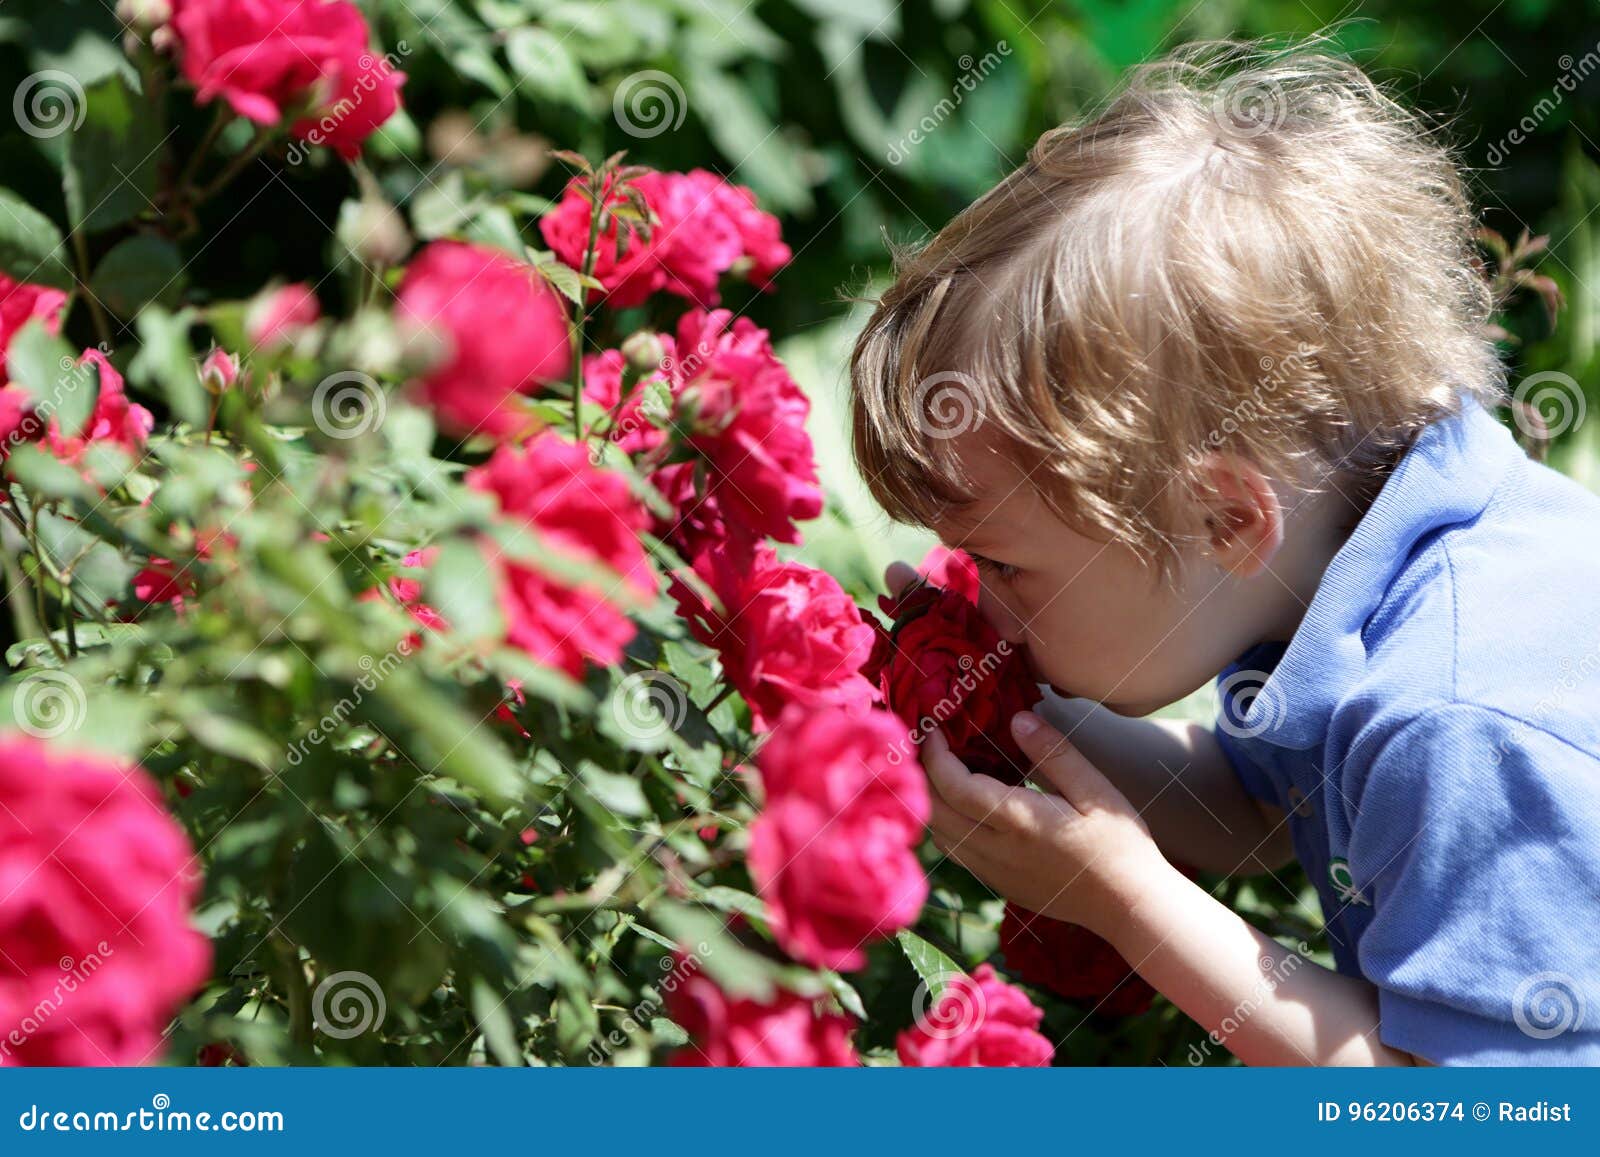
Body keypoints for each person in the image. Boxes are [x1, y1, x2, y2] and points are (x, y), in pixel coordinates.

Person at [850, 42, 1600, 1065]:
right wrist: (987, 710)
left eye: (1009, 567)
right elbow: (1257, 806)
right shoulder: (1344, 568)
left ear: (1227, 521)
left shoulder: (1457, 722)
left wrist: (1130, 901)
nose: (989, 602)